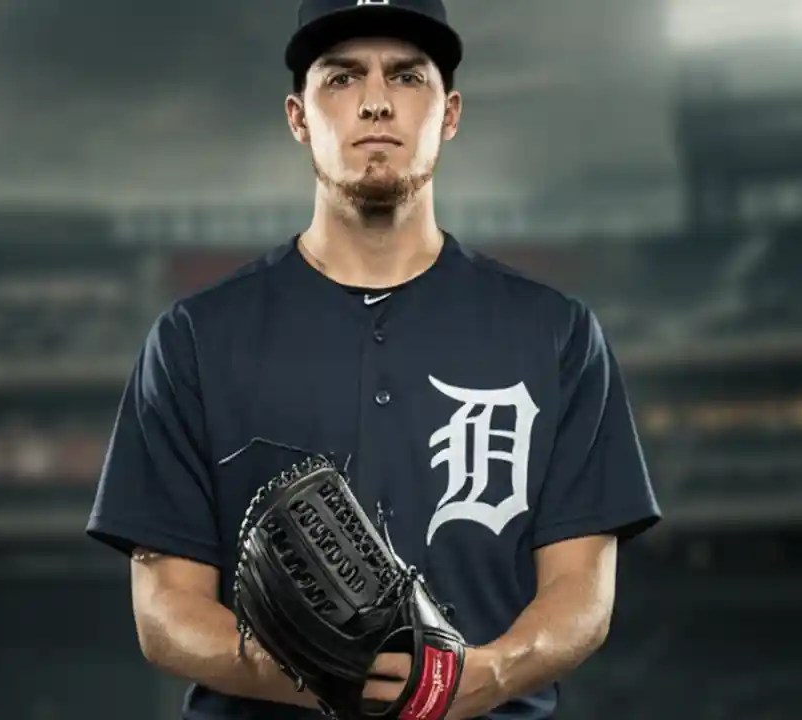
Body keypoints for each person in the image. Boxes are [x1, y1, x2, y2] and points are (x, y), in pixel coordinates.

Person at [86, 1, 662, 717]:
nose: (377, 102)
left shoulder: (557, 333)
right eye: (342, 78)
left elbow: (582, 593)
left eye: (407, 76)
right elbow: (165, 611)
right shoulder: (193, 340)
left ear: (449, 112)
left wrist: (478, 677)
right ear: (299, 116)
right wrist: (321, 673)